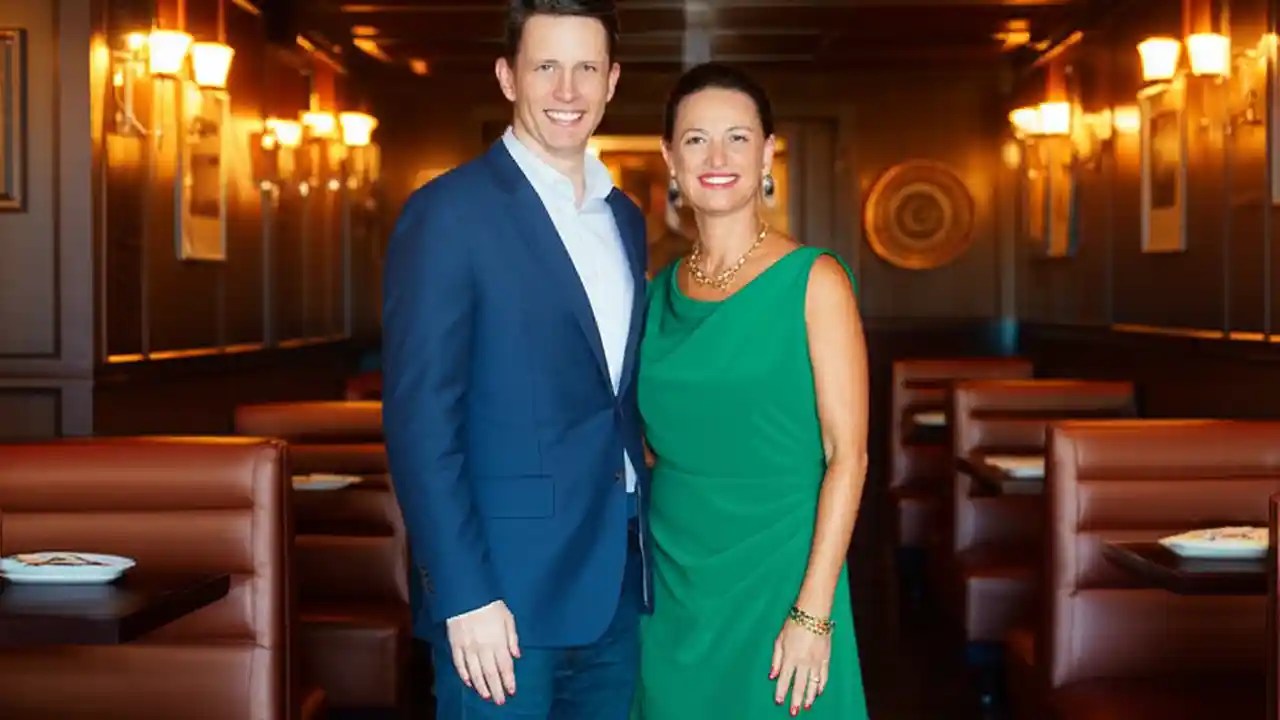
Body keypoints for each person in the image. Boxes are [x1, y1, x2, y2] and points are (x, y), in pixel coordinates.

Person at [380, 1, 650, 718]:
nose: (568, 90)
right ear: (508, 77)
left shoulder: (625, 217)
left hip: (616, 585)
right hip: (500, 598)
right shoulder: (447, 214)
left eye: (587, 67)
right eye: (546, 67)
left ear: (613, 81)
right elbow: (420, 424)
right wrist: (463, 594)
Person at [633, 62, 869, 719]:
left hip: (780, 574)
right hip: (675, 582)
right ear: (669, 156)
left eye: (737, 138)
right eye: (696, 139)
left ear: (768, 151)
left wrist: (813, 612)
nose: (716, 157)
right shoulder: (655, 295)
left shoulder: (815, 281)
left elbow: (848, 456)